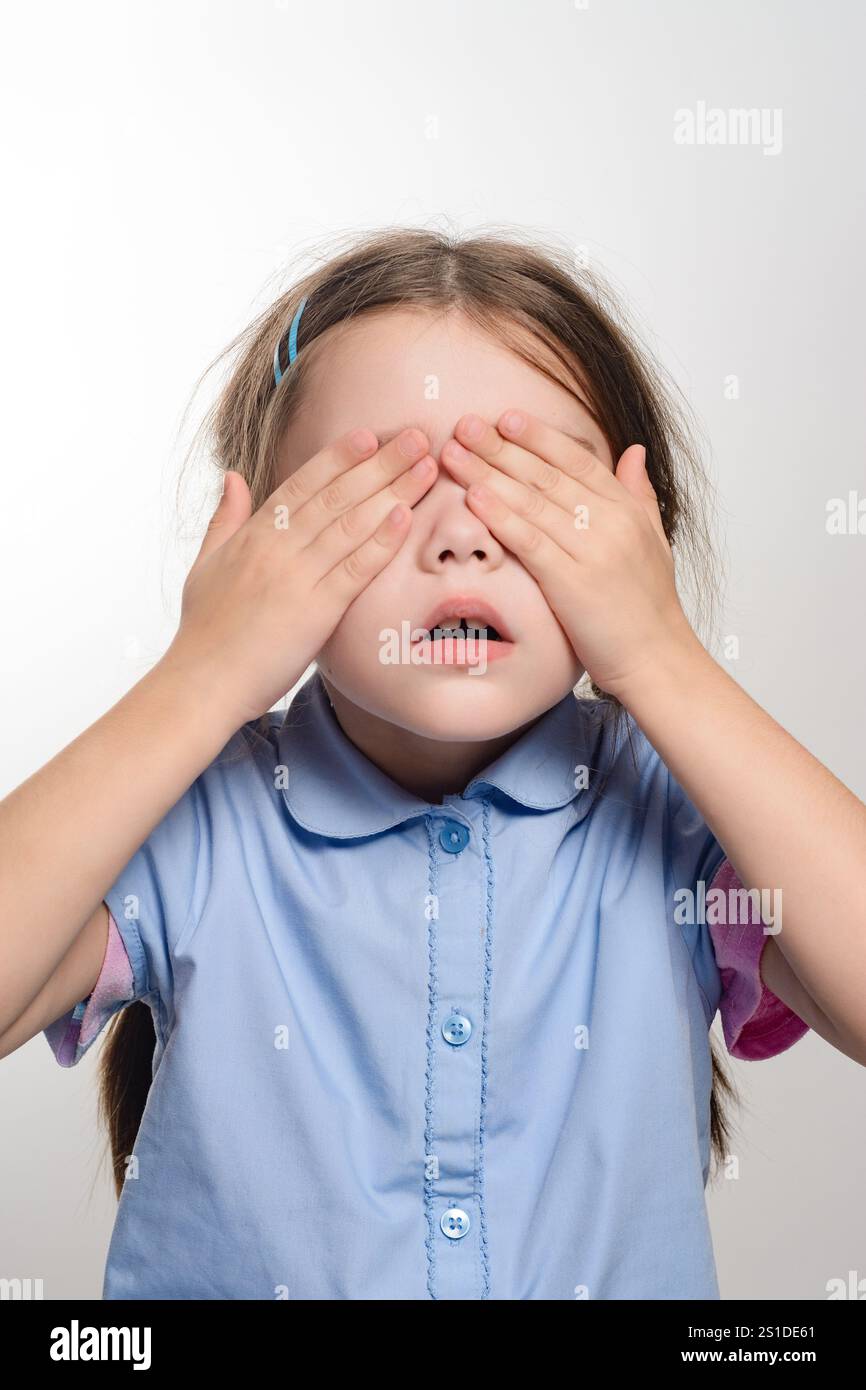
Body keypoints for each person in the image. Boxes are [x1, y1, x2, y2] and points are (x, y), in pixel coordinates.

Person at [3, 227, 863, 1300]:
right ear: (256, 543)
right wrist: (206, 673)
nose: (462, 540)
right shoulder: (202, 816)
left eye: (531, 487)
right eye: (385, 488)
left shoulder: (676, 811)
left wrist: (659, 658)